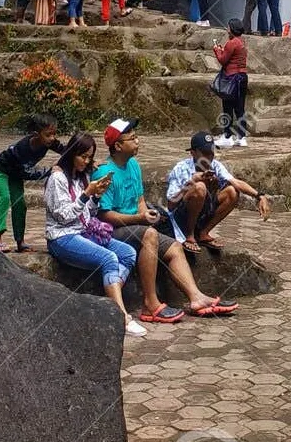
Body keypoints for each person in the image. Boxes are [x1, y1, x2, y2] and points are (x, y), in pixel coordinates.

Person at [91, 119, 237, 322]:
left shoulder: (133, 165)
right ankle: (150, 304)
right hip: (112, 229)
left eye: (136, 136)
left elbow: (140, 200)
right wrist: (138, 218)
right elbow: (103, 215)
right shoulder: (104, 172)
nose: (138, 141)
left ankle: (197, 298)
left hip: (135, 224)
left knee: (174, 247)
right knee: (150, 235)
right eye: (132, 138)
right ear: (118, 145)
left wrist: (145, 217)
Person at [44, 132, 147, 338]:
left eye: (90, 157)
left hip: (84, 231)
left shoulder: (82, 177)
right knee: (109, 258)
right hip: (62, 237)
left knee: (127, 253)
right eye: (83, 156)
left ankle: (109, 302)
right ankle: (122, 317)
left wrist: (96, 196)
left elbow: (88, 212)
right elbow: (63, 216)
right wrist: (86, 195)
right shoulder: (57, 178)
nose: (87, 161)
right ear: (71, 154)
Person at [165, 130, 270, 254]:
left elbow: (236, 182)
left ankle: (204, 233)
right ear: (193, 153)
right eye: (205, 153)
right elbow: (171, 205)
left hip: (203, 213)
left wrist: (259, 196)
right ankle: (190, 235)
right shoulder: (181, 168)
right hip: (181, 216)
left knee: (232, 191)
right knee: (199, 188)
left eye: (211, 153)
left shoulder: (216, 166)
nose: (209, 157)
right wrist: (191, 183)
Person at [0, 114, 63, 252]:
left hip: (16, 174)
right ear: (36, 134)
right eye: (48, 135)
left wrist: (86, 159)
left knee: (20, 204)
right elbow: (26, 173)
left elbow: (67, 151)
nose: (52, 138)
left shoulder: (50, 142)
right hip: (2, 168)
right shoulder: (23, 148)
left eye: (54, 134)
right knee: (4, 197)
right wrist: (49, 171)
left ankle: (20, 242)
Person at [213, 19, 248, 147]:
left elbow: (223, 60)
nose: (227, 29)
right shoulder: (242, 43)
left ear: (232, 29)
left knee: (227, 108)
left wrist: (217, 50)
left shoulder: (231, 43)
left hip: (231, 79)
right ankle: (241, 137)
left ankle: (227, 136)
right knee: (240, 109)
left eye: (228, 27)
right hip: (243, 77)